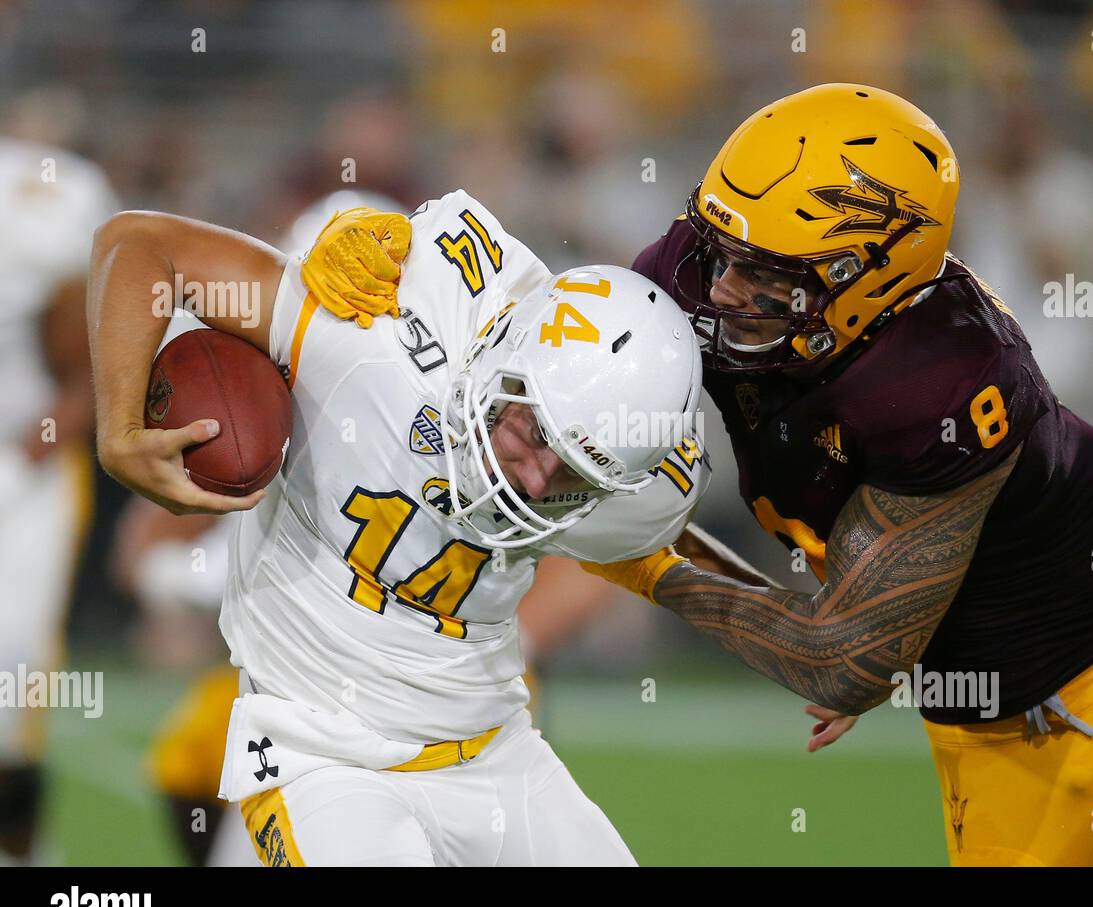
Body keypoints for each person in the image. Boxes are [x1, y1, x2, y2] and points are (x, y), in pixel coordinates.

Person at [309, 85, 1093, 867]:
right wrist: (414, 273)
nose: (721, 287)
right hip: (990, 738)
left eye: (767, 273)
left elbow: (841, 664)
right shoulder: (703, 268)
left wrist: (646, 560)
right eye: (721, 248)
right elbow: (568, 347)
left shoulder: (940, 376)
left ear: (872, 277)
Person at [88, 191, 707, 866]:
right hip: (323, 758)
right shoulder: (357, 338)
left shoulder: (632, 478)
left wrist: (798, 636)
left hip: (497, 750)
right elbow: (141, 246)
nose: (535, 480)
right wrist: (119, 429)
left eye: (575, 471)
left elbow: (647, 557)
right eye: (534, 430)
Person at [0, 135, 117, 864]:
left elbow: (92, 358)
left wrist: (43, 439)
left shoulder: (49, 191)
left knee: (9, 691)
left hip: (21, 473)